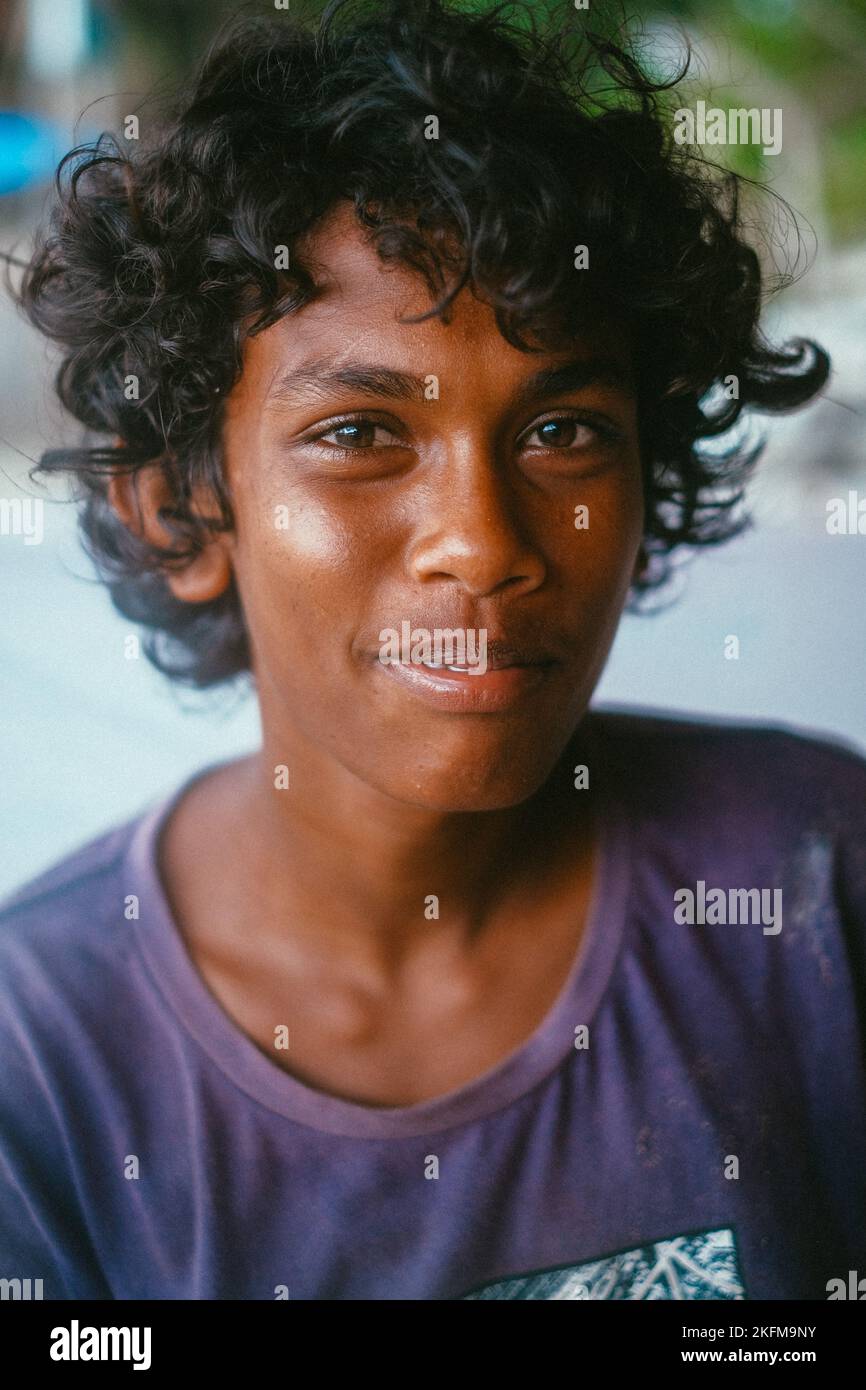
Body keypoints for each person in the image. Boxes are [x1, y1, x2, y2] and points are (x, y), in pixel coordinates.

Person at [1, 0, 863, 1301]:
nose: (480, 542)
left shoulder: (817, 885)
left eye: (563, 429)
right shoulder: (41, 1063)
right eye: (357, 434)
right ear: (179, 508)